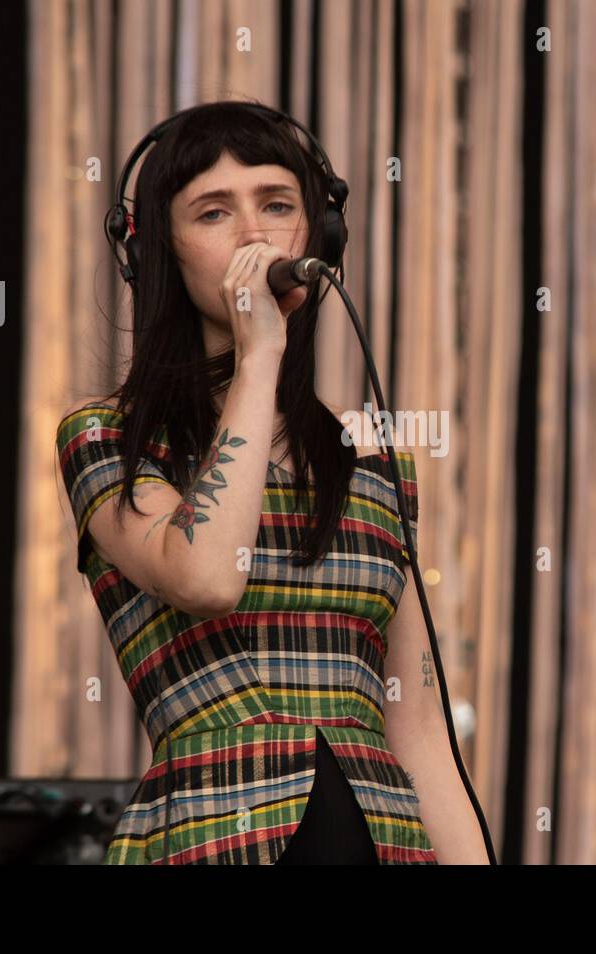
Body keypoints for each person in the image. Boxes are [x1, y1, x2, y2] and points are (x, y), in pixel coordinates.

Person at [55, 101, 455, 864]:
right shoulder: (108, 440)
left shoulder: (378, 468)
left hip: (384, 840)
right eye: (213, 212)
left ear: (320, 236)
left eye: (277, 205)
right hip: (212, 836)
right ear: (160, 253)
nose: (254, 235)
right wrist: (258, 356)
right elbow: (206, 576)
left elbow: (421, 733)